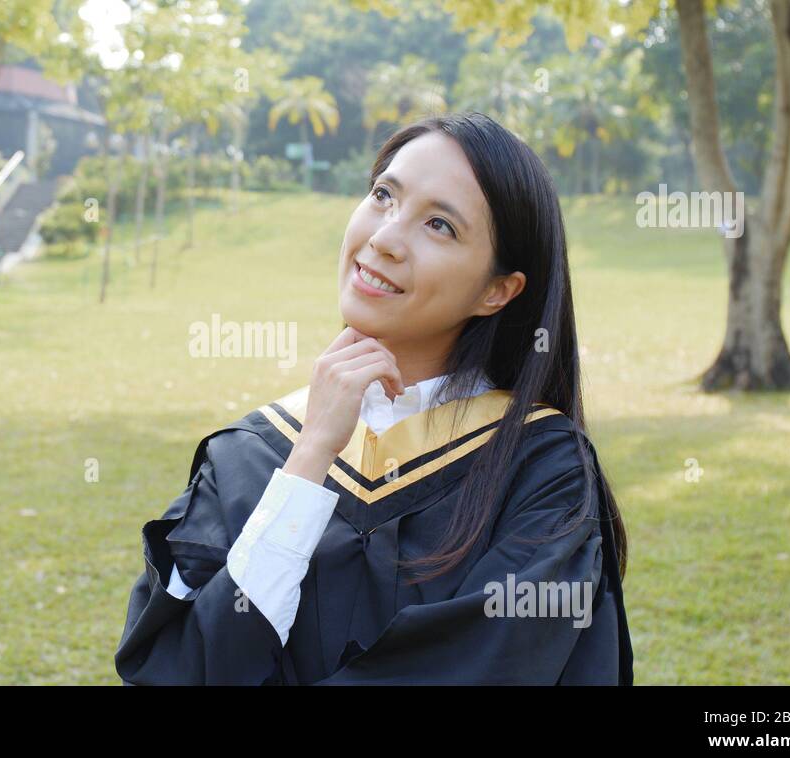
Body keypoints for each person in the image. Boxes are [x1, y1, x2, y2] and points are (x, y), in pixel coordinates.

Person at [114, 112, 632, 685]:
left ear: (496, 291)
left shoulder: (542, 470)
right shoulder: (249, 457)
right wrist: (309, 459)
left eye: (439, 225)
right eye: (384, 195)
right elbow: (177, 668)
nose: (384, 238)